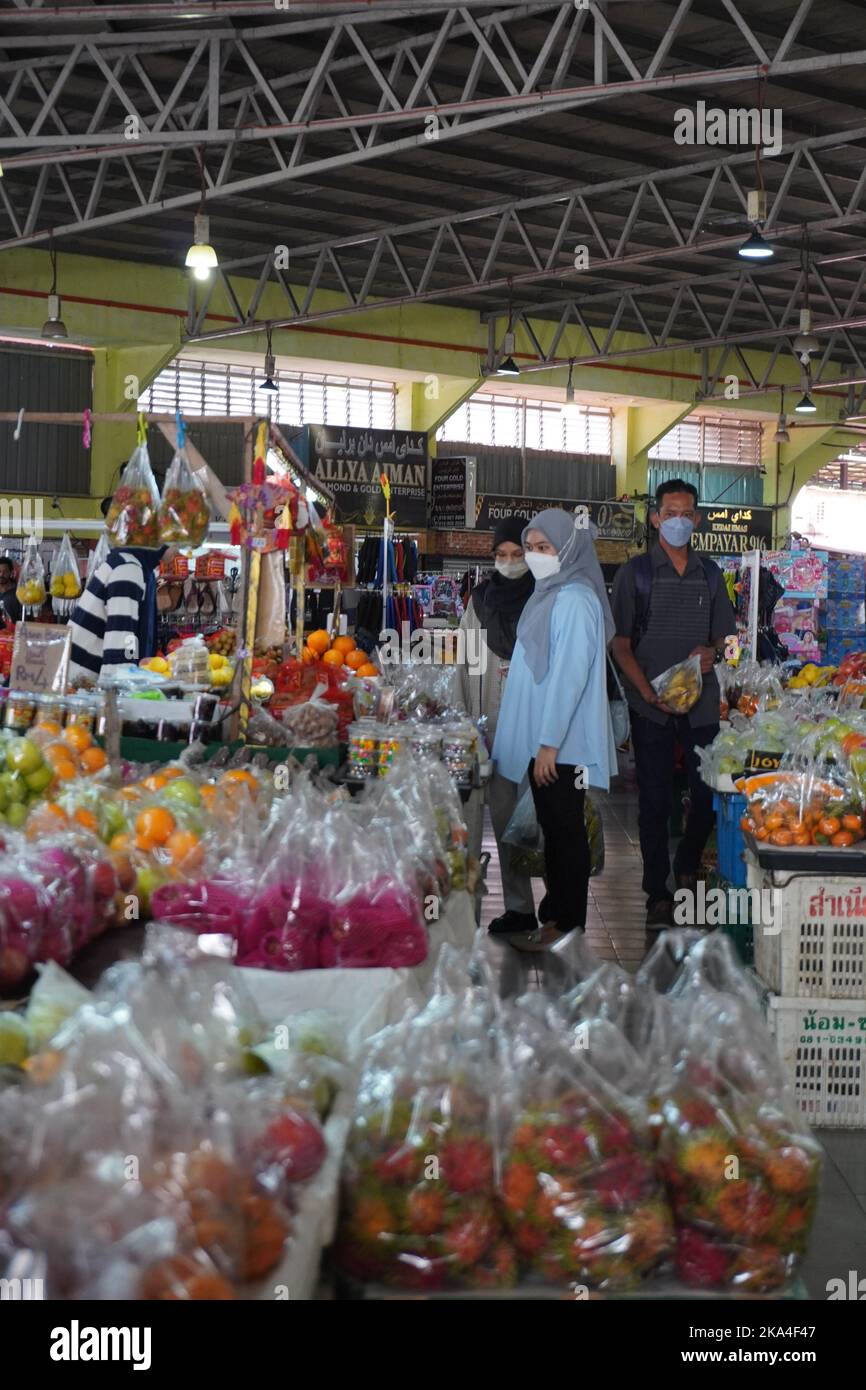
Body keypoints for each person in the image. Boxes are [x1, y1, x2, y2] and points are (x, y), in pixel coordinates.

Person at [610, 479, 738, 930]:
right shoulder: (636, 575)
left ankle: (687, 863)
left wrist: (716, 653)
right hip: (651, 707)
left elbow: (727, 640)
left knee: (706, 793)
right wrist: (646, 692)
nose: (678, 521)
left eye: (686, 514)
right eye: (670, 513)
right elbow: (620, 644)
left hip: (702, 704)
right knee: (655, 800)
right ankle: (657, 892)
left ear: (697, 519)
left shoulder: (710, 574)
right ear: (656, 518)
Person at [492, 507, 617, 951]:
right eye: (531, 548)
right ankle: (556, 917)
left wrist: (548, 745)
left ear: (567, 548)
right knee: (556, 827)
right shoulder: (550, 593)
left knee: (565, 834)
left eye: (545, 547)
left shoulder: (577, 599)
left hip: (563, 747)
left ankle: (566, 923)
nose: (535, 556)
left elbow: (569, 677)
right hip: (550, 745)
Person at [459, 516, 536, 933]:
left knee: (549, 821)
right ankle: (521, 908)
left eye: (518, 555)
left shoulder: (545, 597)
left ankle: (560, 905)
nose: (509, 563)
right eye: (502, 556)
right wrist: (471, 724)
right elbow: (467, 662)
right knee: (506, 819)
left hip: (541, 731)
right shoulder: (480, 601)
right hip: (494, 726)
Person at [68, 543, 168, 683]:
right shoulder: (128, 570)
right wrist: (124, 687)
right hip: (81, 684)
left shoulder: (137, 567)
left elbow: (129, 637)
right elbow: (121, 639)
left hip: (83, 681)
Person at [0, 557, 22, 626]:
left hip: (11, 634)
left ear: (11, 572)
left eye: (5, 572)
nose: (1, 575)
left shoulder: (19, 593)